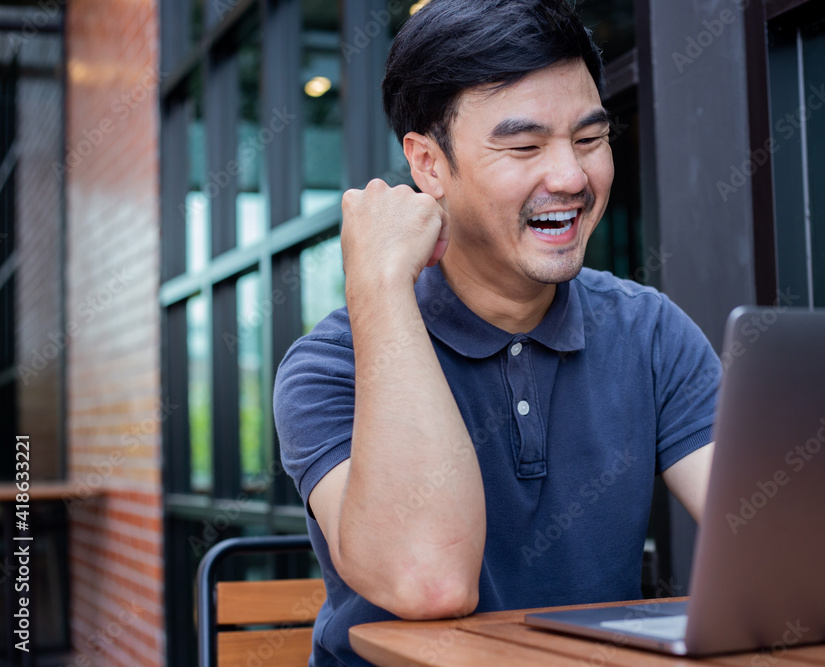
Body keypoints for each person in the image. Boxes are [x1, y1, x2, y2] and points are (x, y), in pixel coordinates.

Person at [273, 0, 722, 663]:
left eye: (590, 139)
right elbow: (428, 579)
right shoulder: (328, 366)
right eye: (524, 146)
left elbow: (774, 540)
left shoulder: (652, 332)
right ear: (428, 165)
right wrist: (379, 287)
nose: (572, 177)